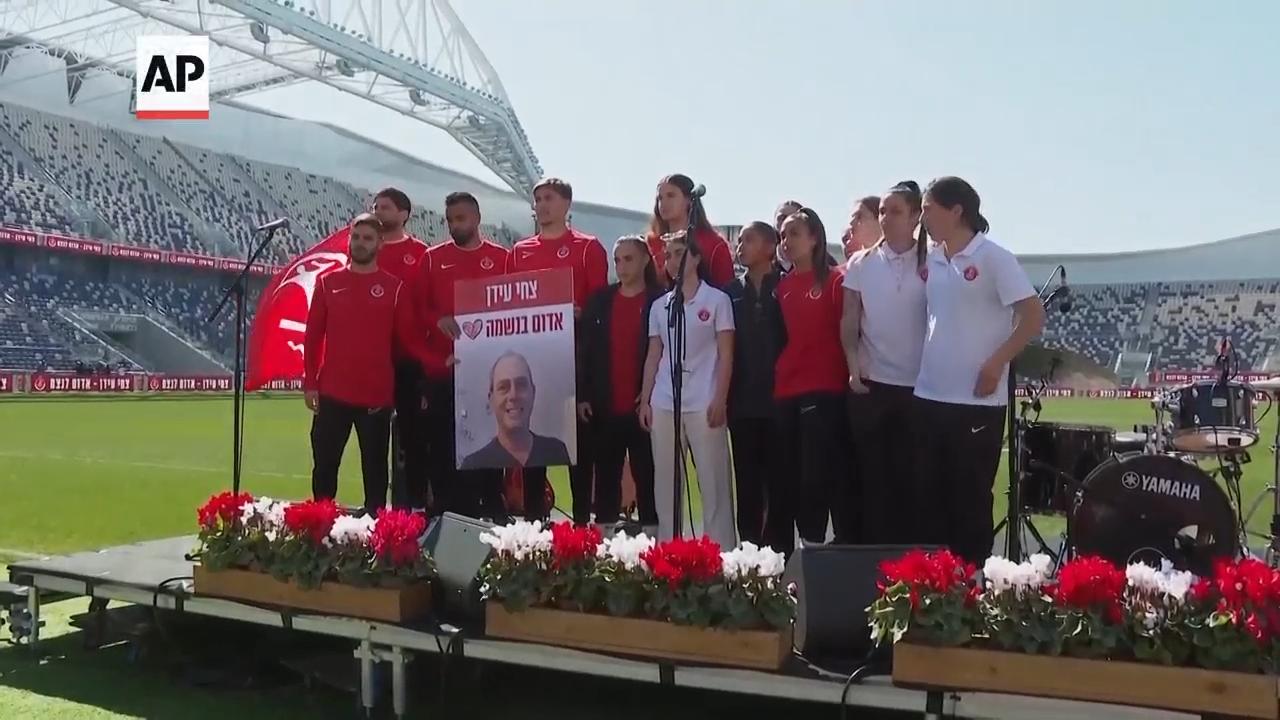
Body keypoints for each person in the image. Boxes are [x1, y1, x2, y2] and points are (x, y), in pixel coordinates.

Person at [914, 176, 1045, 565]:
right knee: (928, 498)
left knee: (969, 498)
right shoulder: (934, 258)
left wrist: (996, 362)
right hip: (929, 394)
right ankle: (933, 585)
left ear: (956, 211)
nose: (922, 218)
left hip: (976, 400)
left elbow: (1033, 315)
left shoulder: (993, 257)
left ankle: (972, 584)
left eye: (927, 209)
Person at [304, 213, 453, 515]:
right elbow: (312, 336)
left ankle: (375, 535)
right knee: (324, 466)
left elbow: (410, 341)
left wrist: (441, 362)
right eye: (356, 237)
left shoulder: (394, 288)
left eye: (368, 238)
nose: (360, 243)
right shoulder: (327, 283)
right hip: (332, 392)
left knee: (374, 472)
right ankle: (319, 527)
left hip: (375, 396)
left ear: (380, 244)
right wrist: (309, 382)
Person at [506, 177, 609, 522]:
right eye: (537, 199)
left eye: (549, 198)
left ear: (566, 204)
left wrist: (579, 313)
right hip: (531, 363)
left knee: (578, 449)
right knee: (533, 448)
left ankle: (580, 526)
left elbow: (599, 308)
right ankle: (535, 526)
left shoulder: (587, 247)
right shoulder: (520, 251)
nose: (542, 205)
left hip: (575, 360)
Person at [841, 182, 929, 544]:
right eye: (882, 211)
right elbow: (849, 319)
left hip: (919, 387)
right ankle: (874, 561)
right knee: (874, 480)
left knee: (913, 480)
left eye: (895, 211)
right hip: (872, 384)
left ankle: (912, 564)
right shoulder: (860, 263)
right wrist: (852, 366)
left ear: (915, 216)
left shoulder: (934, 260)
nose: (885, 218)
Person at [638, 232, 736, 548]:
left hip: (705, 397)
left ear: (695, 258)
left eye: (680, 253)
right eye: (668, 255)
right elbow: (654, 354)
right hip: (666, 399)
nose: (673, 261)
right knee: (666, 481)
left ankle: (721, 553)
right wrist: (646, 399)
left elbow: (725, 354)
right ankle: (669, 549)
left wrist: (720, 397)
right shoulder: (659, 306)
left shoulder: (717, 300)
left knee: (713, 479)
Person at [417, 191, 510, 519]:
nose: (456, 225)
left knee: (490, 441)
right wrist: (437, 320)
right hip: (445, 370)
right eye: (451, 220)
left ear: (477, 218)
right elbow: (420, 308)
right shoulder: (432, 258)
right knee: (443, 445)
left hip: (487, 371)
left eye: (462, 218)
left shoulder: (501, 258)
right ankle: (445, 510)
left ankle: (494, 506)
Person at [773, 208, 854, 554]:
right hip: (787, 389)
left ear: (814, 238)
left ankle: (815, 547)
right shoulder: (784, 287)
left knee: (816, 476)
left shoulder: (836, 281)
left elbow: (848, 334)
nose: (786, 242)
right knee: (787, 476)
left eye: (794, 233)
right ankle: (791, 553)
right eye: (783, 235)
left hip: (826, 389)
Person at [579, 235, 664, 534]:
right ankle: (604, 537)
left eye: (628, 258)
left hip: (645, 408)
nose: (622, 265)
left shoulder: (661, 300)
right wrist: (584, 395)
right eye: (617, 259)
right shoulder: (601, 301)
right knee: (605, 475)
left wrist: (653, 393)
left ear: (644, 260)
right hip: (606, 405)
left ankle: (653, 535)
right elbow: (585, 352)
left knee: (647, 473)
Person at [724, 222, 786, 546]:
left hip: (781, 404)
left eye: (749, 240)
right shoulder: (729, 293)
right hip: (743, 405)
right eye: (739, 240)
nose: (740, 246)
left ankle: (779, 559)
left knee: (779, 487)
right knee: (746, 485)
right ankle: (747, 556)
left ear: (769, 246)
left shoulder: (786, 288)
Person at [372, 187, 432, 512]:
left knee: (414, 437)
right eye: (375, 206)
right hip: (374, 359)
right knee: (374, 439)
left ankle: (419, 506)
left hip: (410, 361)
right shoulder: (366, 250)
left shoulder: (421, 253)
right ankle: (378, 510)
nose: (379, 211)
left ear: (404, 214)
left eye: (385, 207)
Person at [460, 351, 572, 470]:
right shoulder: (473, 465)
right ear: (491, 399)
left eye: (521, 384)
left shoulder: (556, 452)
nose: (513, 395)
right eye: (503, 387)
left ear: (533, 393)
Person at [646, 174, 735, 289]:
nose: (664, 203)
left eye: (671, 196)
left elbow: (726, 288)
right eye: (660, 198)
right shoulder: (651, 242)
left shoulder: (714, 243)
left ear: (689, 199)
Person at [842, 195, 882, 262]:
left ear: (879, 220)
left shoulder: (898, 260)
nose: (851, 223)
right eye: (853, 217)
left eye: (859, 217)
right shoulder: (855, 263)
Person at [773, 200, 802, 273]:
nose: (786, 221)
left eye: (792, 218)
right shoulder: (762, 259)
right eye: (781, 217)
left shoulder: (818, 260)